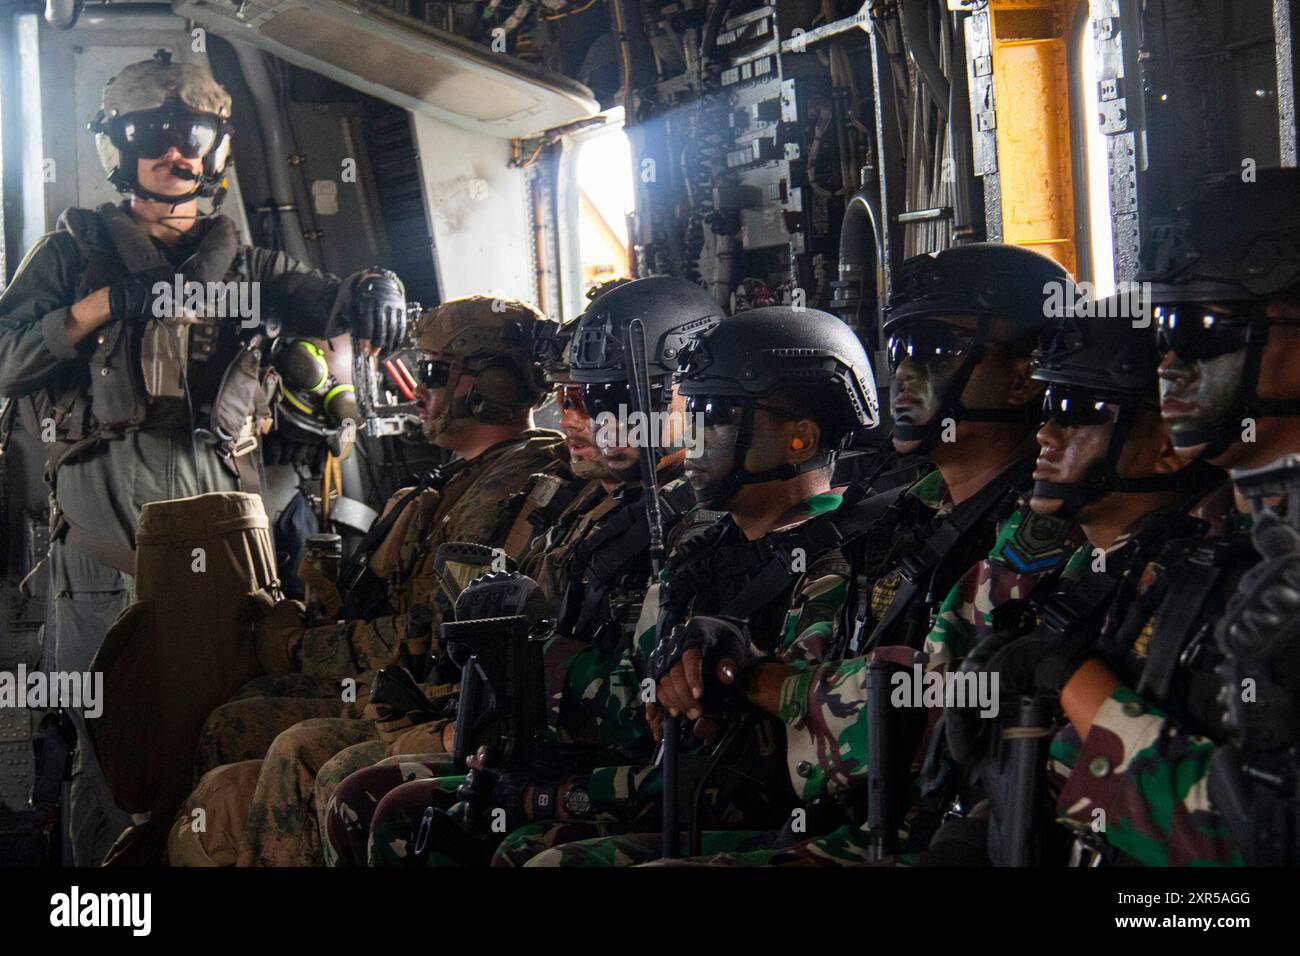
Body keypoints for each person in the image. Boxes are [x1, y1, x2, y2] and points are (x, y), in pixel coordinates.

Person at [518, 244, 1079, 866]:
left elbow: (921, 710)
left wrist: (754, 679)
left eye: (938, 350)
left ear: (1026, 377)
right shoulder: (898, 522)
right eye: (902, 350)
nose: (910, 375)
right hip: (859, 819)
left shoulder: (1046, 536)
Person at [0, 50, 406, 865]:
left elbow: (335, 302)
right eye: (149, 132)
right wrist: (107, 305)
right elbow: (7, 358)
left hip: (225, 560)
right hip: (102, 561)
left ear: (215, 147)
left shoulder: (251, 269)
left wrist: (377, 290)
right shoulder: (72, 256)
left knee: (227, 733)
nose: (172, 149)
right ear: (117, 147)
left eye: (191, 132)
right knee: (113, 754)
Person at [326, 277, 724, 865]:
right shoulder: (600, 504)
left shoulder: (691, 524)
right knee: (369, 797)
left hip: (627, 765)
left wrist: (533, 675)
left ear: (680, 399)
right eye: (565, 395)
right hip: (551, 738)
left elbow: (655, 708)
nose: (573, 417)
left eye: (600, 398)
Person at [166, 295, 567, 866]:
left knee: (274, 739)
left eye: (432, 373)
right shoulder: (458, 480)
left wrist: (302, 650)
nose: (417, 391)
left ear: (492, 386)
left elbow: (430, 635)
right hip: (406, 686)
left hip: (432, 699)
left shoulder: (511, 487)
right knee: (238, 714)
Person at [1047, 168, 1300, 865]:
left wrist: (1074, 686)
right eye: (1165, 328)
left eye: (1202, 328)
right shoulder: (1194, 543)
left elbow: (1262, 840)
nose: (1169, 363)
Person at [939, 303, 1221, 865]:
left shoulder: (1201, 594)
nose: (1044, 433)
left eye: (1076, 409)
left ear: (1168, 446)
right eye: (1047, 407)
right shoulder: (1077, 575)